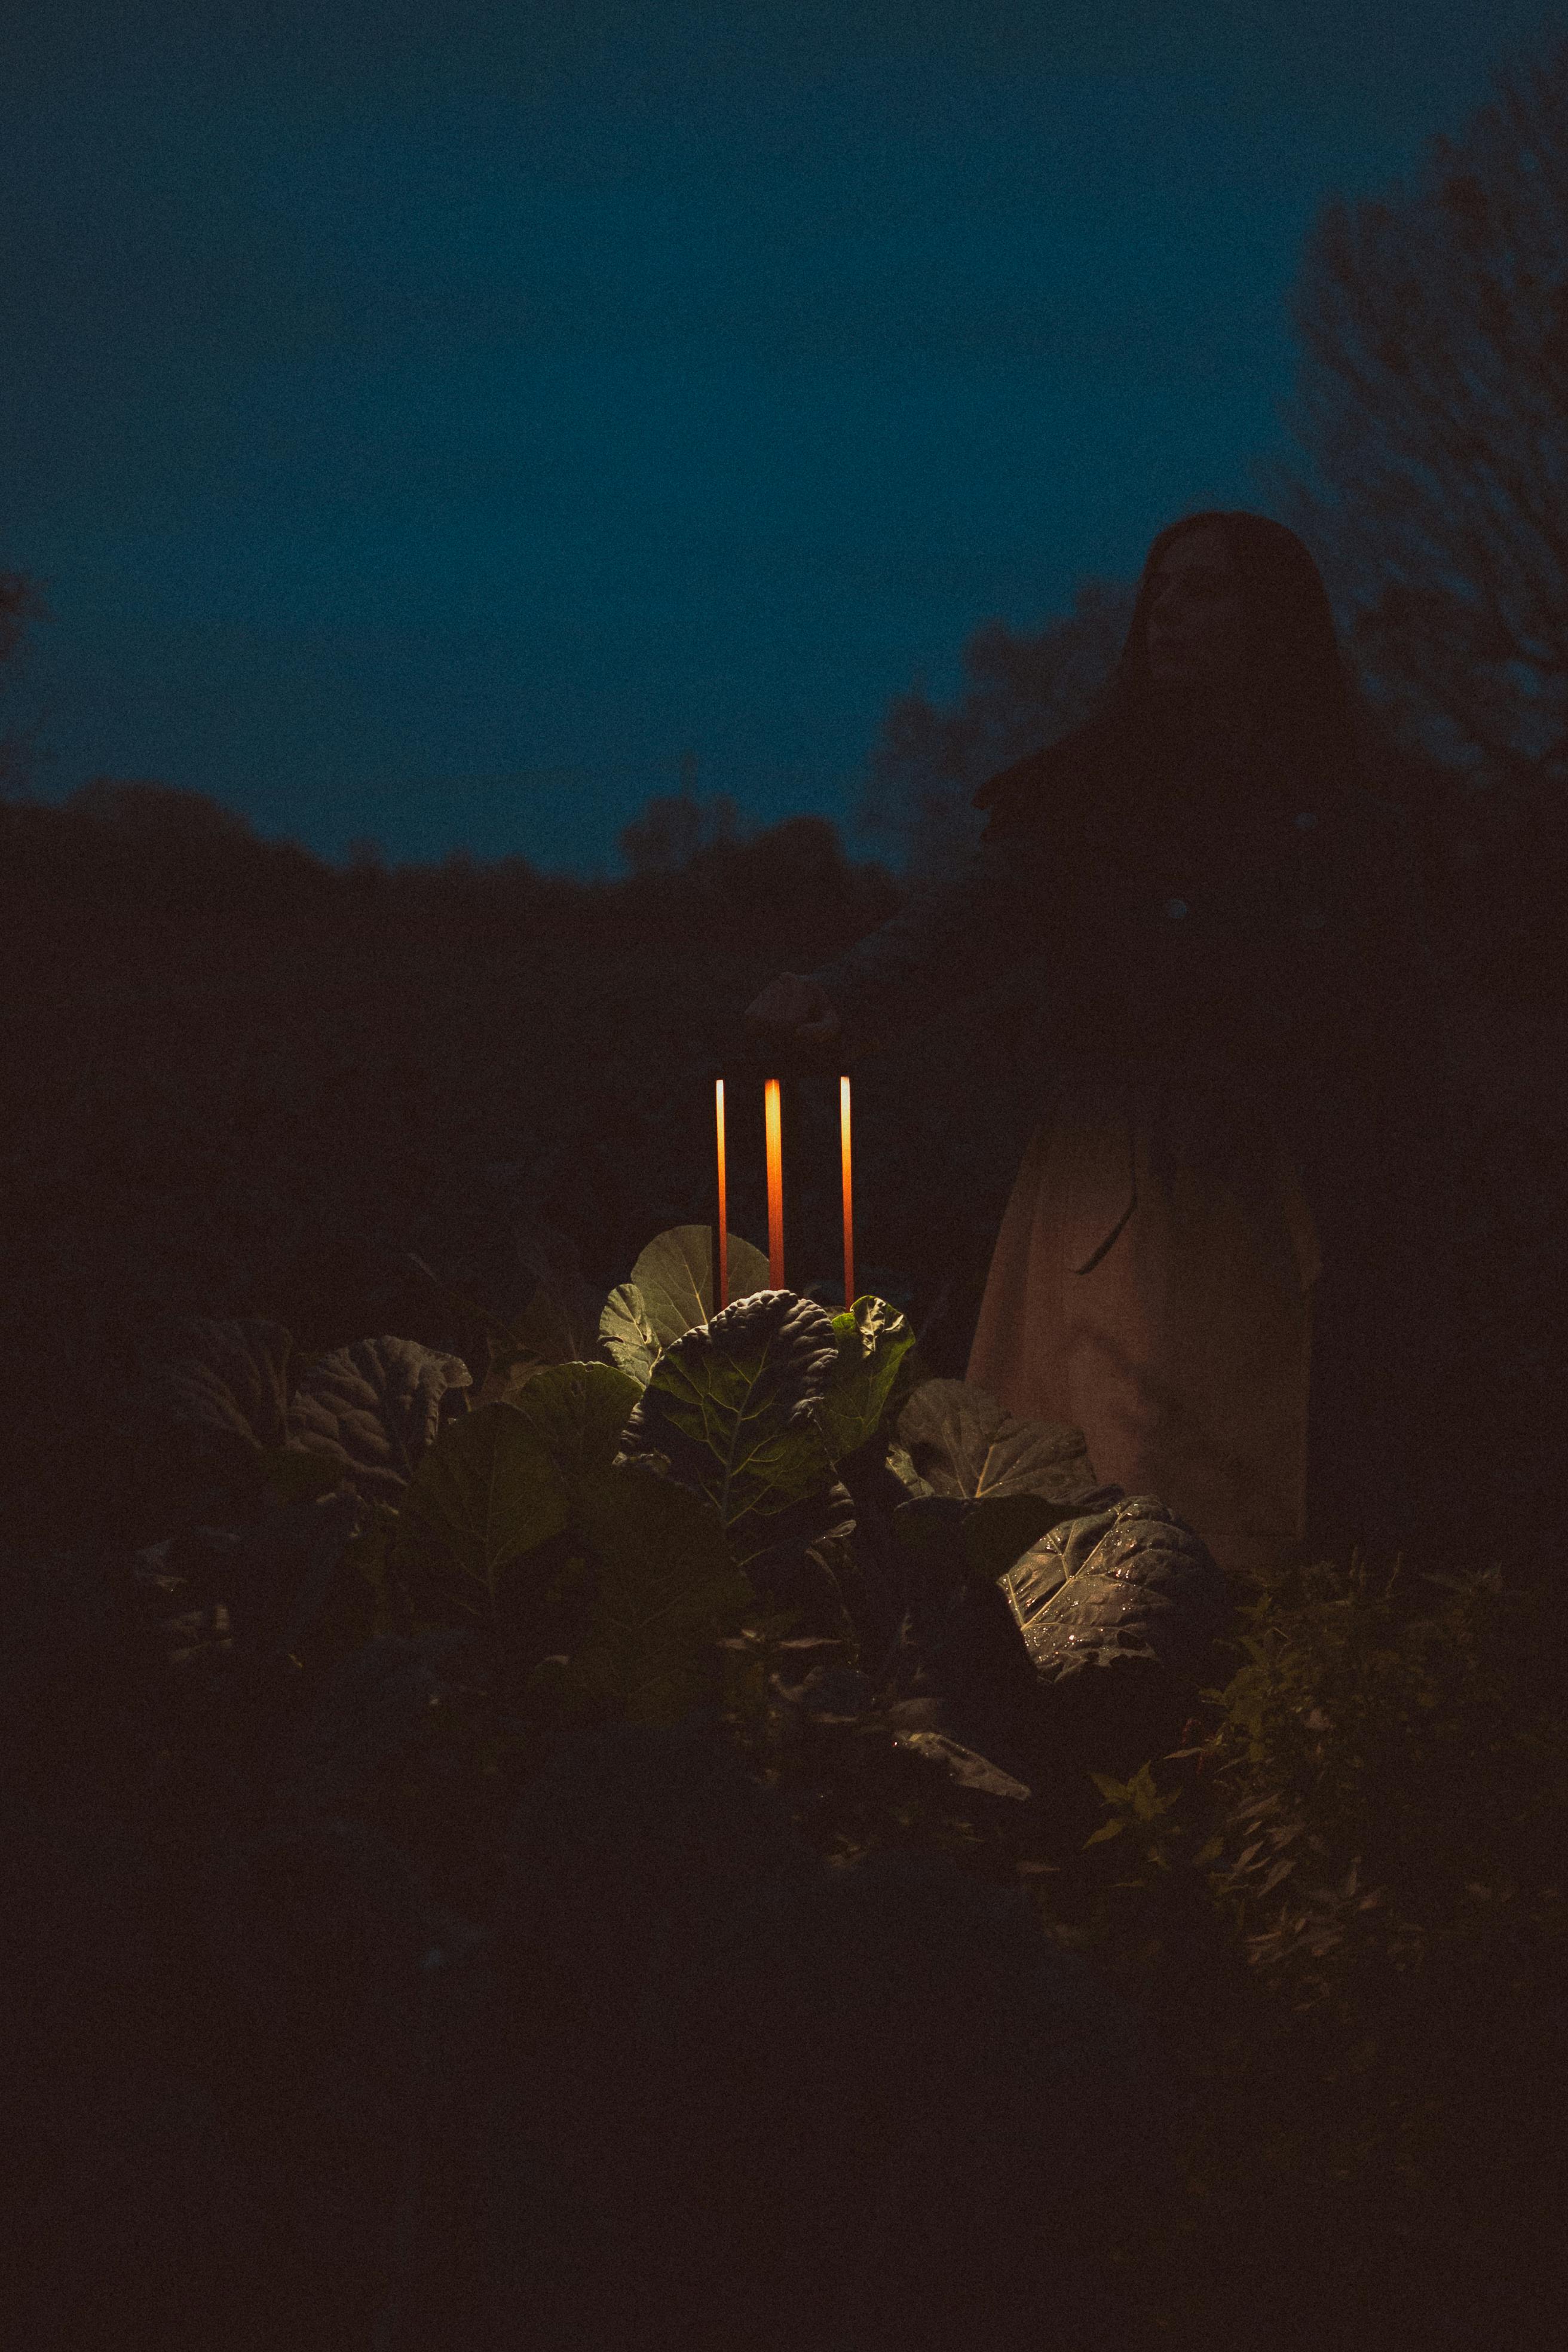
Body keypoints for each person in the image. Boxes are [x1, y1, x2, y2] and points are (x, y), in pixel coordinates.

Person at [743, 510, 1468, 1582]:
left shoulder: (1350, 813)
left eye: (1208, 590)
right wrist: (835, 995)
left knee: (1258, 1502)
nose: (1173, 611)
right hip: (1107, 1189)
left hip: (1283, 1188)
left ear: (1273, 618)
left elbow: (1403, 1019)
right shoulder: (1088, 792)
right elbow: (967, 924)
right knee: (1093, 1488)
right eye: (1162, 590)